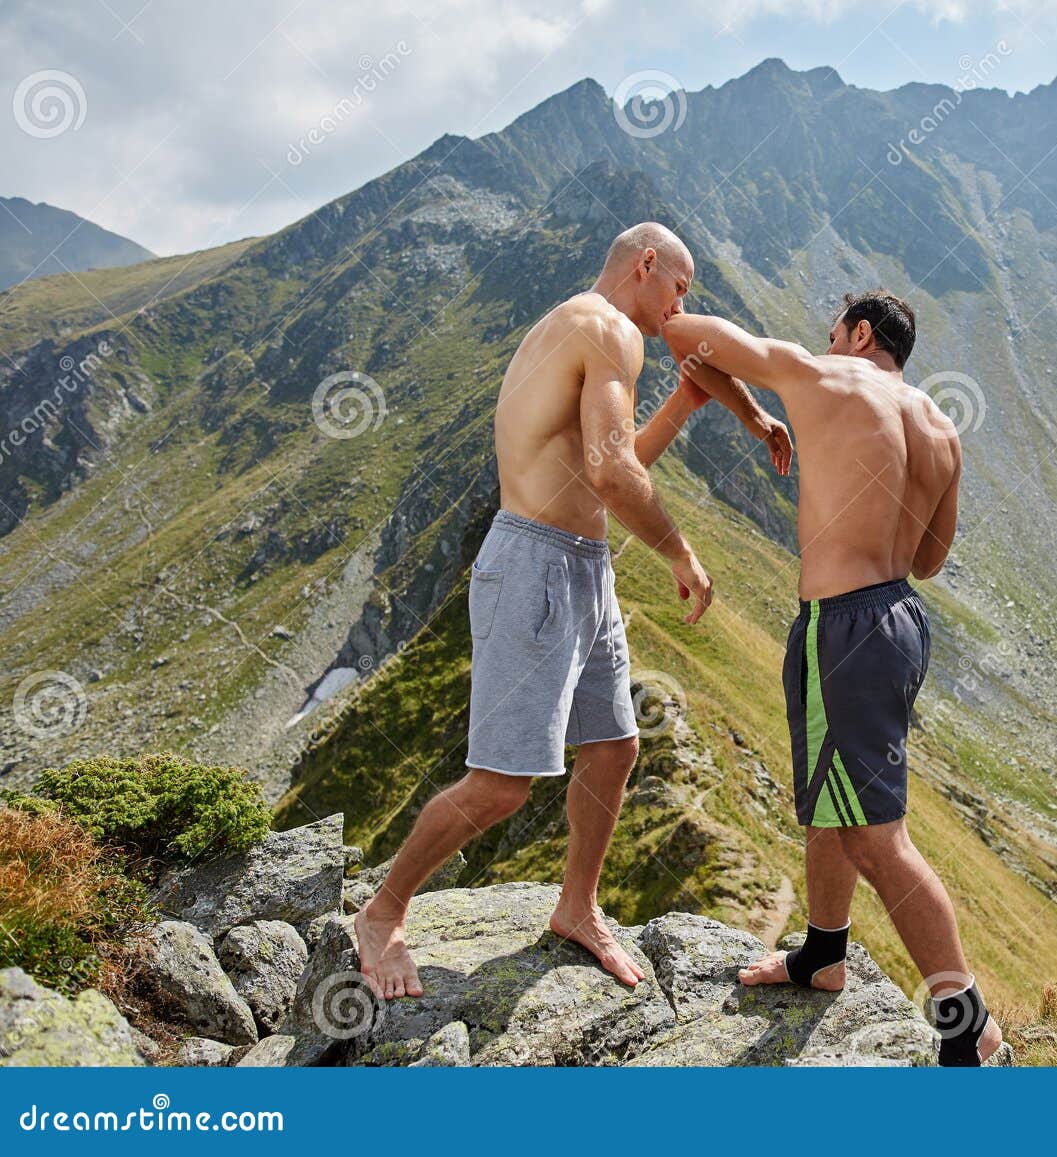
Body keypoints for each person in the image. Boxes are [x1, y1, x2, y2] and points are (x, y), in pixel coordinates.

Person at [355, 222, 792, 999]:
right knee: (502, 786)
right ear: (646, 264)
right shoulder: (604, 328)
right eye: (680, 287)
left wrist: (743, 416)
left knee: (615, 748)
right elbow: (613, 471)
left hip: (582, 566)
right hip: (535, 565)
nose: (680, 307)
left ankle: (576, 906)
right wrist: (680, 552)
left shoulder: (595, 332)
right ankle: (383, 913)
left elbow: (602, 471)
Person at [661, 291, 1003, 1066]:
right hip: (899, 617)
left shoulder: (825, 376)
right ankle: (824, 952)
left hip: (841, 628)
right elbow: (928, 560)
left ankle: (969, 1023)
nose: (826, 344)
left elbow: (691, 338)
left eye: (833, 333)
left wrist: (667, 292)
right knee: (831, 795)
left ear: (857, 335)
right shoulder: (941, 429)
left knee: (877, 838)